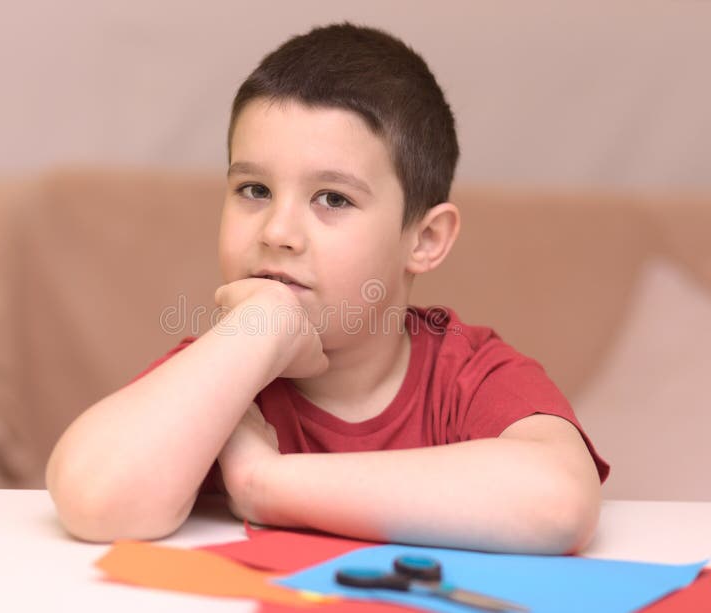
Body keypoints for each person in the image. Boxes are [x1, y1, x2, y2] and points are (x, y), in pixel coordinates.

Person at [46, 22, 609, 553]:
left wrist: (266, 483)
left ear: (425, 238)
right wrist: (252, 333)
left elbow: (558, 502)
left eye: (333, 199)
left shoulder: (466, 372)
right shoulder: (218, 371)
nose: (278, 232)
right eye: (254, 189)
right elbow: (94, 498)